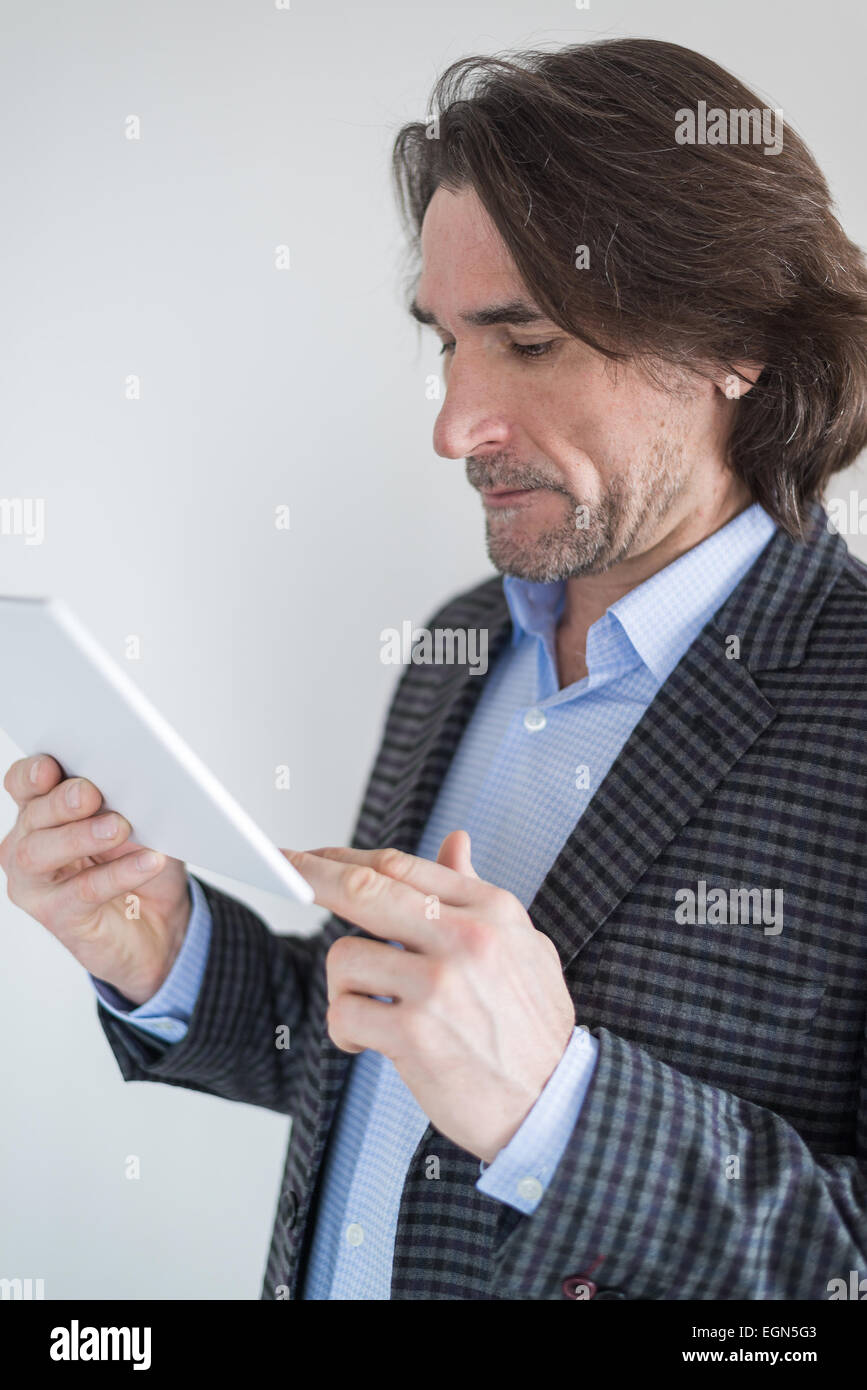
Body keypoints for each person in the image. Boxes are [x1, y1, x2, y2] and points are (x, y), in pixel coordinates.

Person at [3, 37, 867, 1301]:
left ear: (736, 342)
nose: (455, 425)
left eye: (524, 344)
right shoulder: (468, 640)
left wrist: (556, 1106)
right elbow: (371, 1038)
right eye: (449, 343)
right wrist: (165, 948)